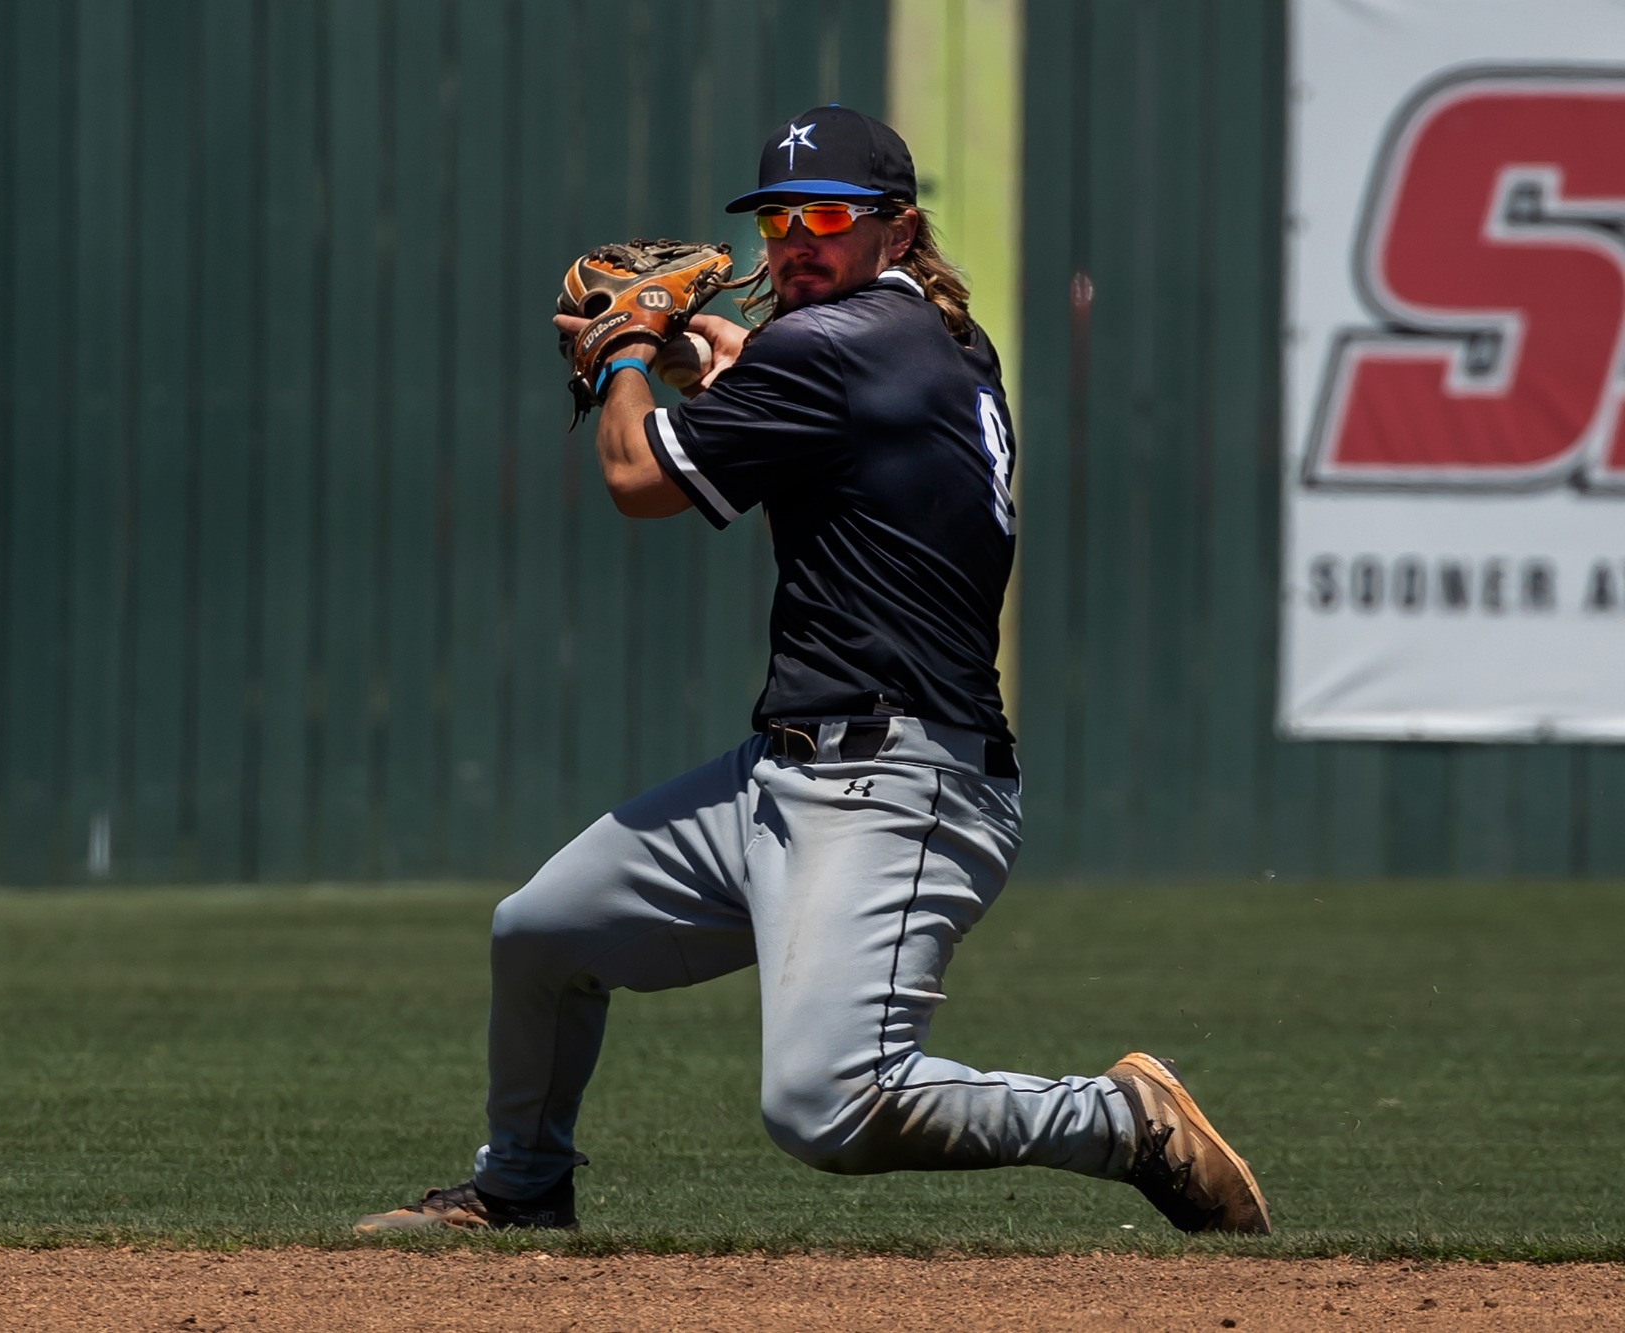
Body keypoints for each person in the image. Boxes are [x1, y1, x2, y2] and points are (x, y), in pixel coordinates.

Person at [355, 106, 1270, 1236]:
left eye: (827, 217)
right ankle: (522, 1185)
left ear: (897, 227)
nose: (795, 240)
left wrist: (626, 353)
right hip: (784, 774)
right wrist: (697, 357)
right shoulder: (934, 337)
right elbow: (793, 397)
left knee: (827, 1104)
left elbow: (637, 478)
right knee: (541, 933)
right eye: (777, 219)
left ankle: (1120, 1121)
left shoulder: (831, 347)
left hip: (896, 784)